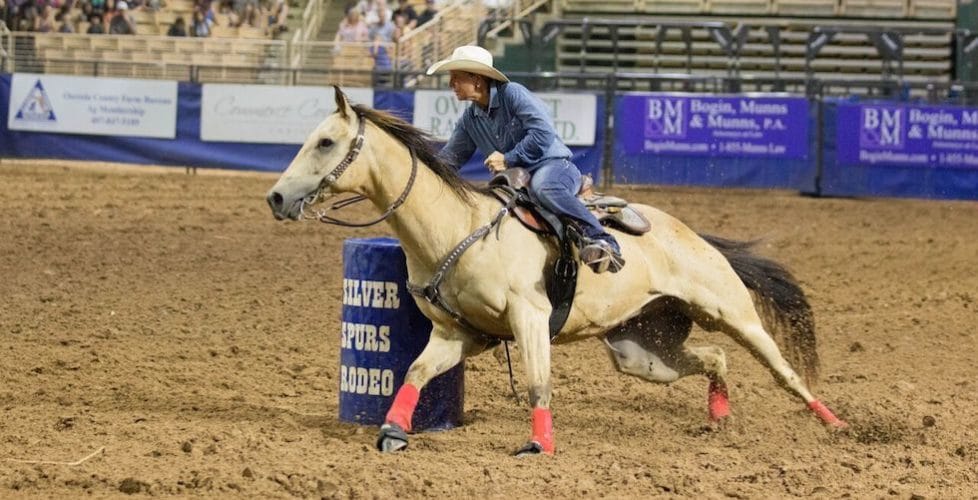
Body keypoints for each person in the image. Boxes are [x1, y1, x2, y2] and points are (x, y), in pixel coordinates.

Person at [426, 45, 624, 273]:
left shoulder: (512, 93)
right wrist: (422, 170)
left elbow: (543, 133)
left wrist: (509, 159)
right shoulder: (471, 119)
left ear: (476, 79)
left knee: (546, 188)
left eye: (455, 78)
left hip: (553, 166)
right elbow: (449, 160)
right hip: (517, 179)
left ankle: (602, 239)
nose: (451, 84)